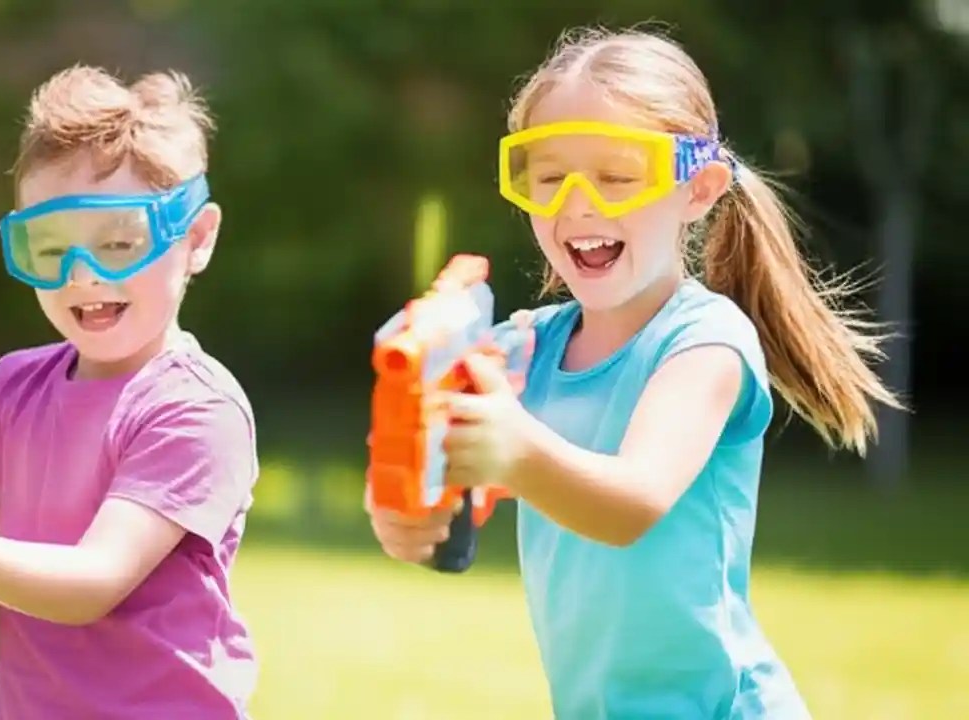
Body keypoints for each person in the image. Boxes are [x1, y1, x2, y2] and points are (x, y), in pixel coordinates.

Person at [367, 26, 903, 719]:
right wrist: (406, 508)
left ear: (699, 190)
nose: (579, 204)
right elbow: (441, 487)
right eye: (550, 176)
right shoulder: (524, 347)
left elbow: (633, 503)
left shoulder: (706, 341)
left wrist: (512, 449)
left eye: (618, 175)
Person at [0, 65, 260, 719]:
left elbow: (93, 581)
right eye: (50, 250)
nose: (82, 276)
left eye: (117, 242)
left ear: (195, 238)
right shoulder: (15, 385)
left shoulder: (195, 409)